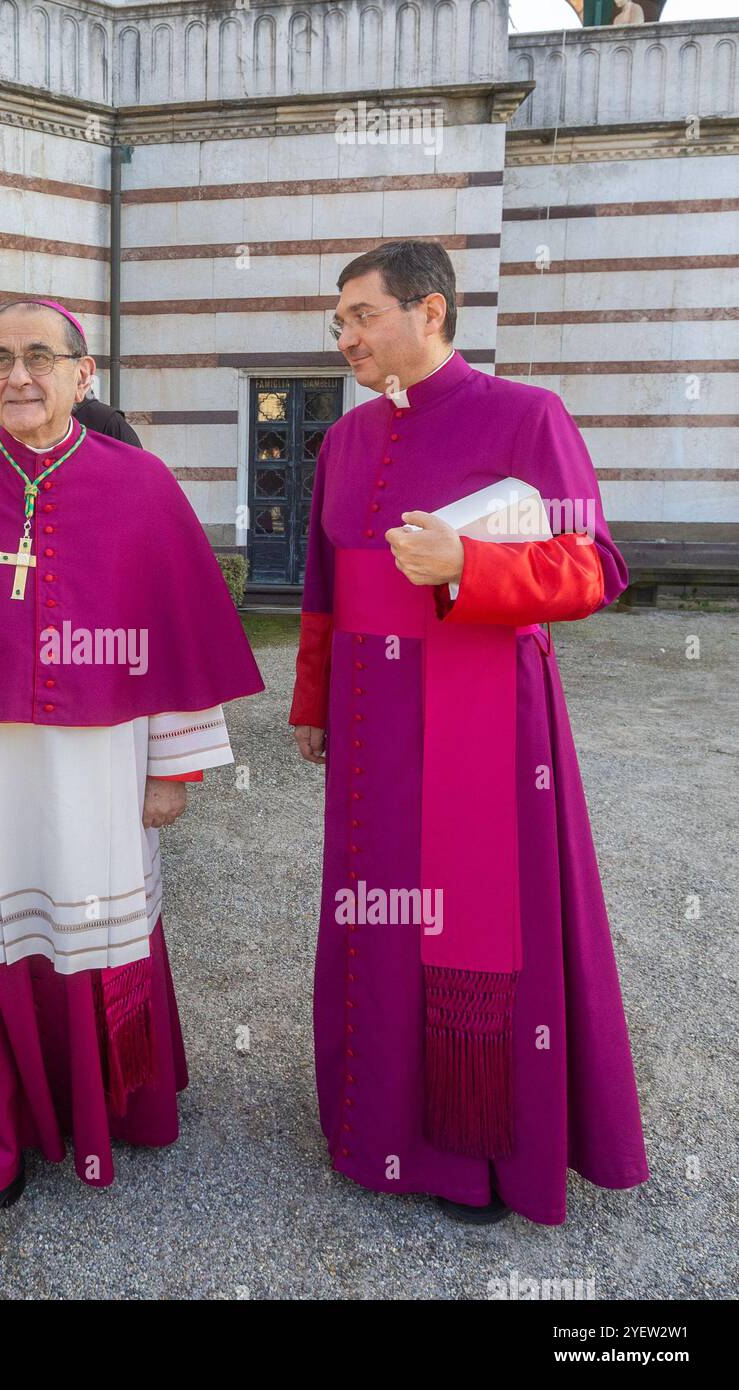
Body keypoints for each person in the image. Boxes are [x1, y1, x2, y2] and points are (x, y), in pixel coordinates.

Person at [0, 298, 264, 1275]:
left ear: (83, 371)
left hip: (98, 768)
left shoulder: (141, 487)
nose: (16, 376)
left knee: (93, 942)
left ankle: (103, 1103)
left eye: (37, 357)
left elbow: (175, 634)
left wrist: (171, 766)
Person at [290, 240, 649, 1224]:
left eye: (361, 315)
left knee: (461, 926)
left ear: (431, 313)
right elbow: (324, 590)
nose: (346, 338)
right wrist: (312, 703)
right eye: (339, 322)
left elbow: (597, 568)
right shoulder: (343, 440)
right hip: (370, 726)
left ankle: (473, 1151)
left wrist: (469, 567)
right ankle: (376, 1126)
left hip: (480, 716)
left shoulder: (526, 415)